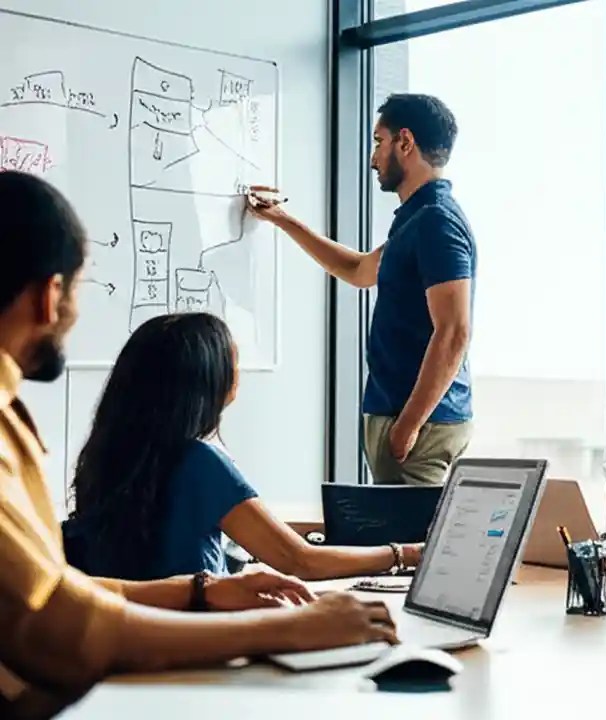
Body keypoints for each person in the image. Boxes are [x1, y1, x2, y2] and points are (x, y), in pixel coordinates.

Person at [0, 171, 396, 718]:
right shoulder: (196, 458)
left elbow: (59, 592)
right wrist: (288, 627)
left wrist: (201, 591)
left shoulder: (97, 450)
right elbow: (58, 629)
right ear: (49, 296)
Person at [65, 312, 425, 581]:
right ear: (205, 380)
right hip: (201, 630)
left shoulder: (110, 456)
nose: (239, 372)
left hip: (148, 630)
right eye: (233, 361)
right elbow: (299, 560)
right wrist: (406, 554)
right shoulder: (197, 461)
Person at [248, 93, 475, 486]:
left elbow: (454, 331)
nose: (373, 158)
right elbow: (358, 269)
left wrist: (407, 427)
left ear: (405, 142)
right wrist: (282, 219)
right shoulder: (416, 219)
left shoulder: (436, 222)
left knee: (410, 529)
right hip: (407, 421)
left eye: (378, 142)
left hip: (420, 427)